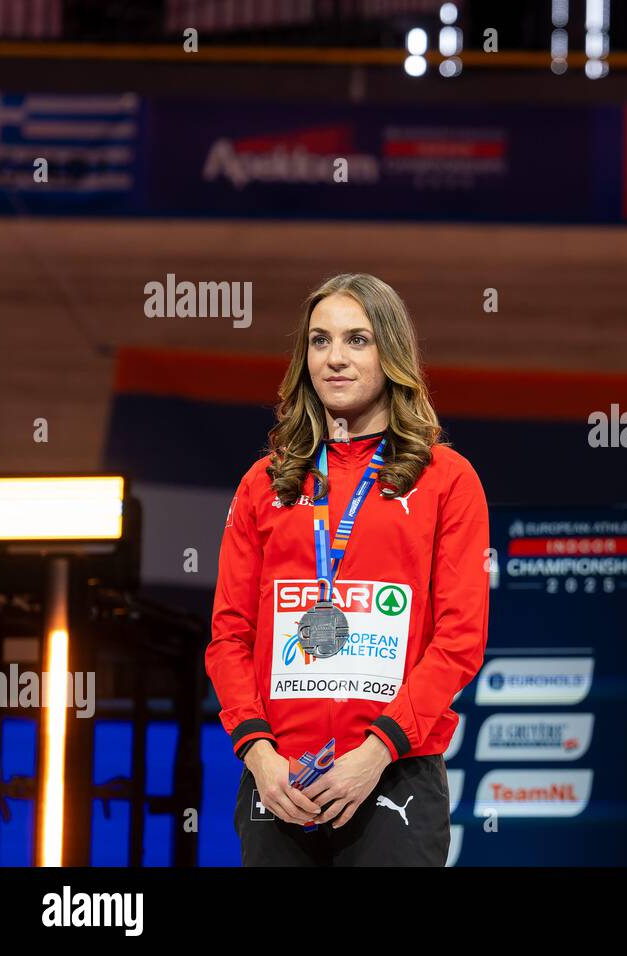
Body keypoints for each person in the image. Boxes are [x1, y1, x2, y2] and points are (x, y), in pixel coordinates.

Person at [205, 273, 490, 866]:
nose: (335, 358)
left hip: (393, 777)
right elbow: (229, 636)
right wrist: (258, 752)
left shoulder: (446, 478)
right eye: (319, 340)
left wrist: (376, 753)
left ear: (392, 352)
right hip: (278, 781)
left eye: (357, 340)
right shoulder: (266, 482)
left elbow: (459, 639)